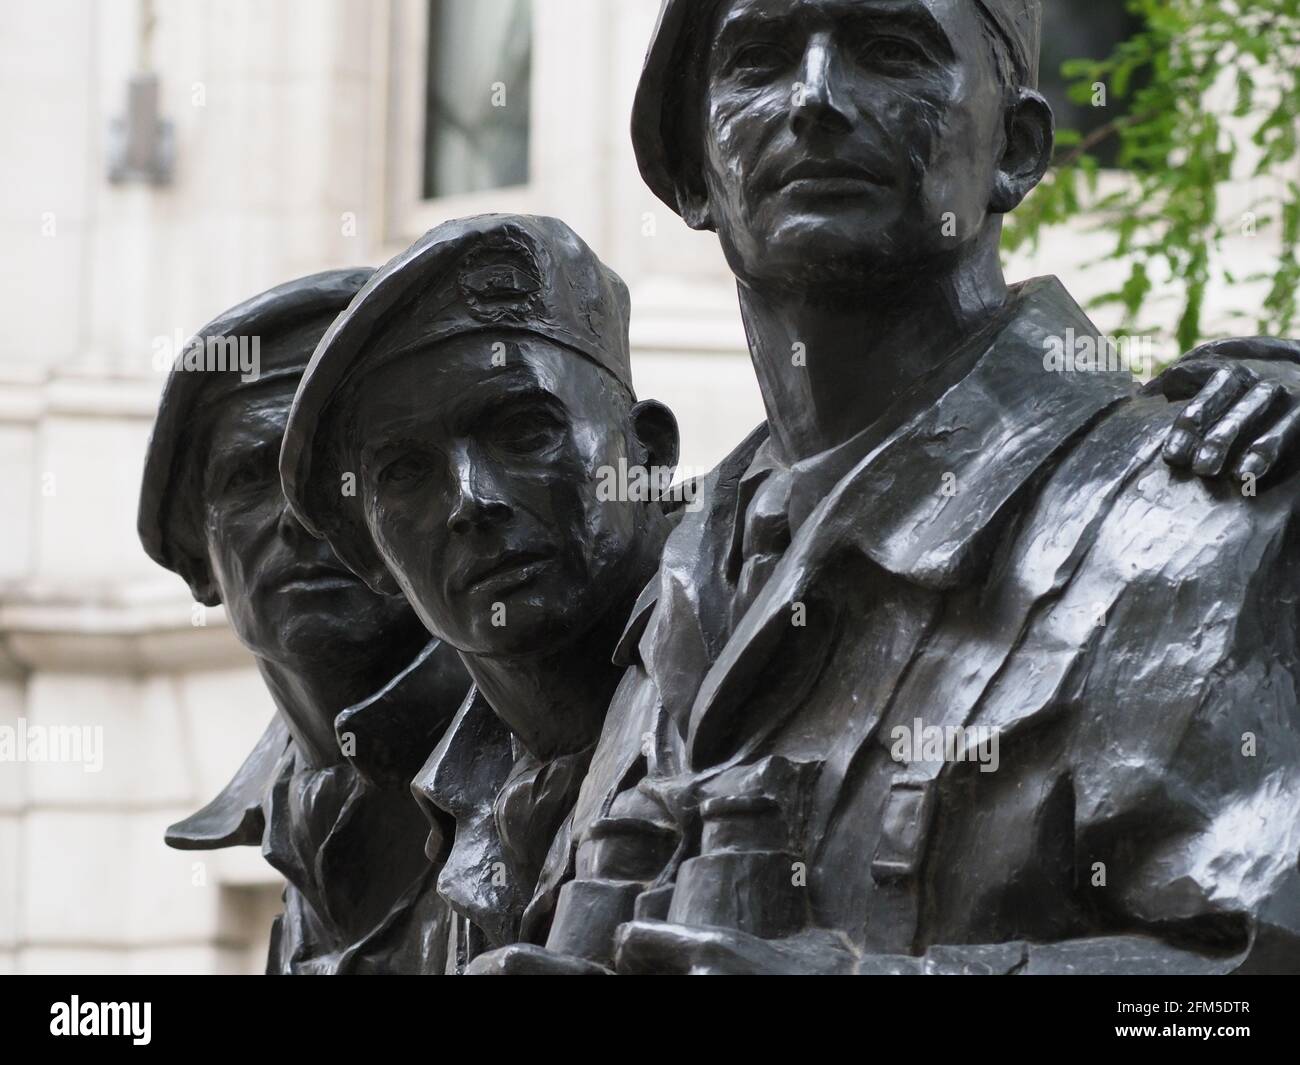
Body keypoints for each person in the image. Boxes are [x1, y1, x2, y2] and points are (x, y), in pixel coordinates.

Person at [498, 0, 1300, 974]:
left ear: (1015, 148)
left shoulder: (1199, 519)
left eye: (888, 51)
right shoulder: (673, 601)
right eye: (756, 60)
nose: (817, 99)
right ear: (685, 169)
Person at [278, 216, 680, 963]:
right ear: (370, 555)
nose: (469, 500)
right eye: (406, 473)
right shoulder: (443, 822)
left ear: (649, 452)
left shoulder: (746, 681)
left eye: (525, 433)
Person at [139, 270, 469, 974]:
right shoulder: (279, 813)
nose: (299, 516)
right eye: (251, 478)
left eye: (334, 474)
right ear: (201, 562)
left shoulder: (547, 754)